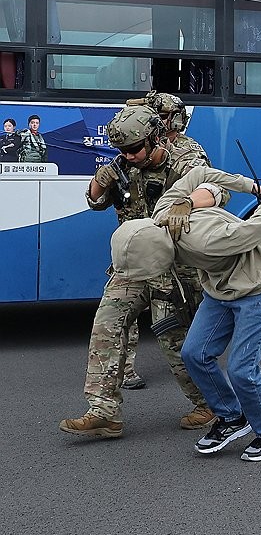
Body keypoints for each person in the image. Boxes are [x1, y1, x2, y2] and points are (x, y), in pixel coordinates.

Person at [59, 105, 217, 438]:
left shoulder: (184, 162)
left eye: (133, 149)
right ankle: (103, 412)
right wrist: (98, 182)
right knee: (107, 323)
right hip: (134, 263)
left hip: (173, 266)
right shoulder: (122, 165)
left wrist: (187, 202)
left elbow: (215, 189)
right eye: (122, 150)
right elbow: (96, 201)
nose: (128, 156)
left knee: (174, 339)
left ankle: (211, 404)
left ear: (155, 137)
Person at [117, 165, 261, 462]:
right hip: (220, 289)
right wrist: (249, 186)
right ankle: (232, 418)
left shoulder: (204, 240)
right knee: (194, 353)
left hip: (259, 285)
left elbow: (254, 229)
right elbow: (200, 174)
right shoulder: (163, 213)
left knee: (241, 369)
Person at [118, 92, 211, 390]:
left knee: (181, 313)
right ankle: (124, 369)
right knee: (123, 311)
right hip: (138, 240)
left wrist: (184, 205)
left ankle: (202, 377)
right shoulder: (139, 146)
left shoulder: (187, 152)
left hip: (171, 246)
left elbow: (208, 188)